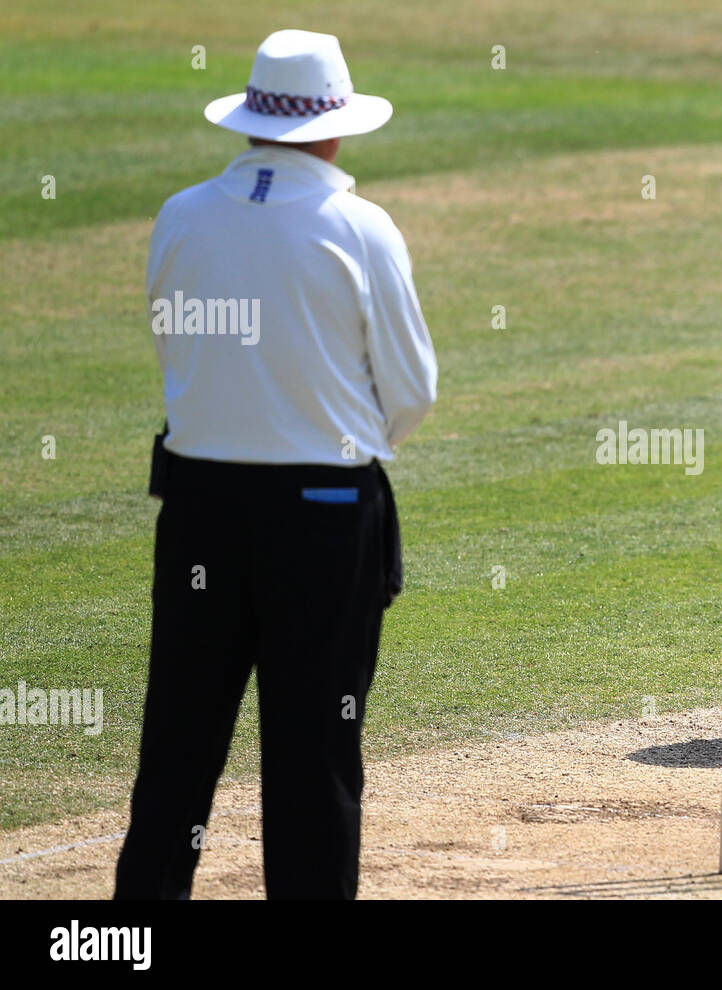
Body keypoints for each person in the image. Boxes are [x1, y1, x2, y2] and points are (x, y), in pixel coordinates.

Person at [114, 29, 437, 898]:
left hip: (198, 508)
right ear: (335, 127)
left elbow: (174, 348)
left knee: (177, 749)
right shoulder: (361, 228)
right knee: (314, 758)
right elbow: (412, 393)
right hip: (325, 516)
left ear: (253, 120)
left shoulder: (181, 214)